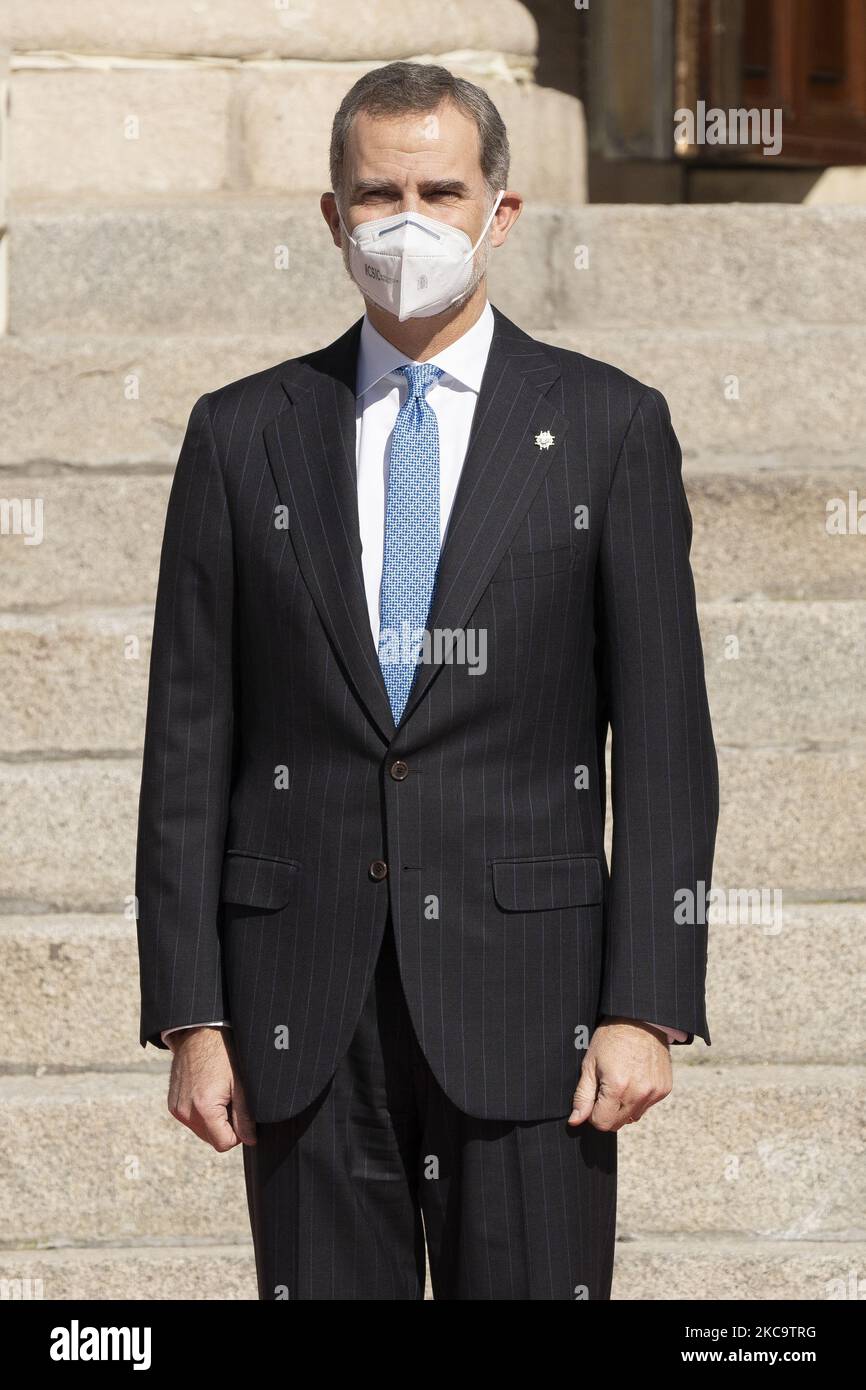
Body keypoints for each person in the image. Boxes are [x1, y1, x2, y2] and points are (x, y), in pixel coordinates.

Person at [136, 61, 718, 1301]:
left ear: (499, 213)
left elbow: (665, 738)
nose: (408, 222)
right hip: (302, 1003)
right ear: (331, 215)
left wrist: (646, 1003)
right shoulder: (242, 434)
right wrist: (191, 1011)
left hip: (533, 1000)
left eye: (440, 192)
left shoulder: (607, 426)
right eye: (377, 194)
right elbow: (188, 736)